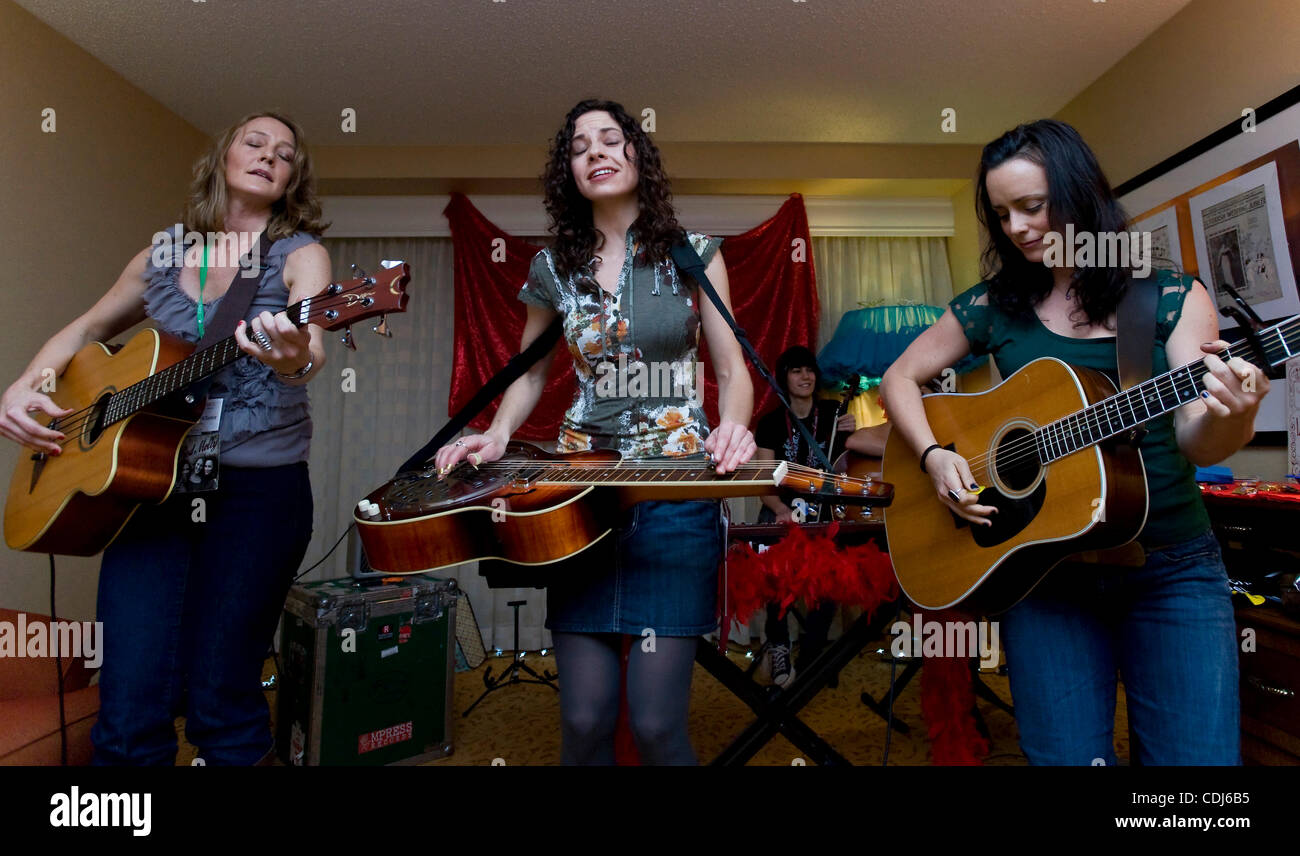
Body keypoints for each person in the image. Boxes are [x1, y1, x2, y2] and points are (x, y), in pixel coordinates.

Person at [881, 119, 1268, 765]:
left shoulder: (1167, 295)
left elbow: (1200, 442)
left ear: (1079, 193)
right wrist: (933, 453)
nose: (1017, 228)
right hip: (1045, 573)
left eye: (1032, 206)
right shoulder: (992, 304)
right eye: (1002, 214)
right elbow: (900, 377)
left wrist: (1237, 411)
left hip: (1169, 566)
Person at [0, 112, 330, 765]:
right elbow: (85, 329)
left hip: (255, 495)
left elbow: (311, 346)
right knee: (127, 705)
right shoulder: (163, 254)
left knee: (221, 696)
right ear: (223, 159)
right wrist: (25, 385)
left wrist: (291, 352)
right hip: (148, 494)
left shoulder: (300, 254)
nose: (269, 156)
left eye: (285, 154)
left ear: (293, 179)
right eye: (254, 142)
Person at [435, 99, 755, 764]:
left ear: (638, 156)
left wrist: (733, 428)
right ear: (569, 172)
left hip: (674, 499)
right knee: (583, 720)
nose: (597, 153)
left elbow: (732, 368)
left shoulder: (695, 255)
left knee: (658, 724)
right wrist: (497, 434)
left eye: (612, 139)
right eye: (580, 147)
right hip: (576, 504)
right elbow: (528, 375)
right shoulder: (552, 270)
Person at [752, 345, 888, 685]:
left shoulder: (833, 414)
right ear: (784, 377)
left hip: (825, 512)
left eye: (809, 370)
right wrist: (782, 511)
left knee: (831, 574)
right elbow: (764, 479)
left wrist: (853, 434)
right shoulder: (770, 421)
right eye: (797, 371)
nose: (805, 376)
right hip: (782, 510)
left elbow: (849, 465)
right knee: (774, 570)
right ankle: (780, 648)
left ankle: (812, 652)